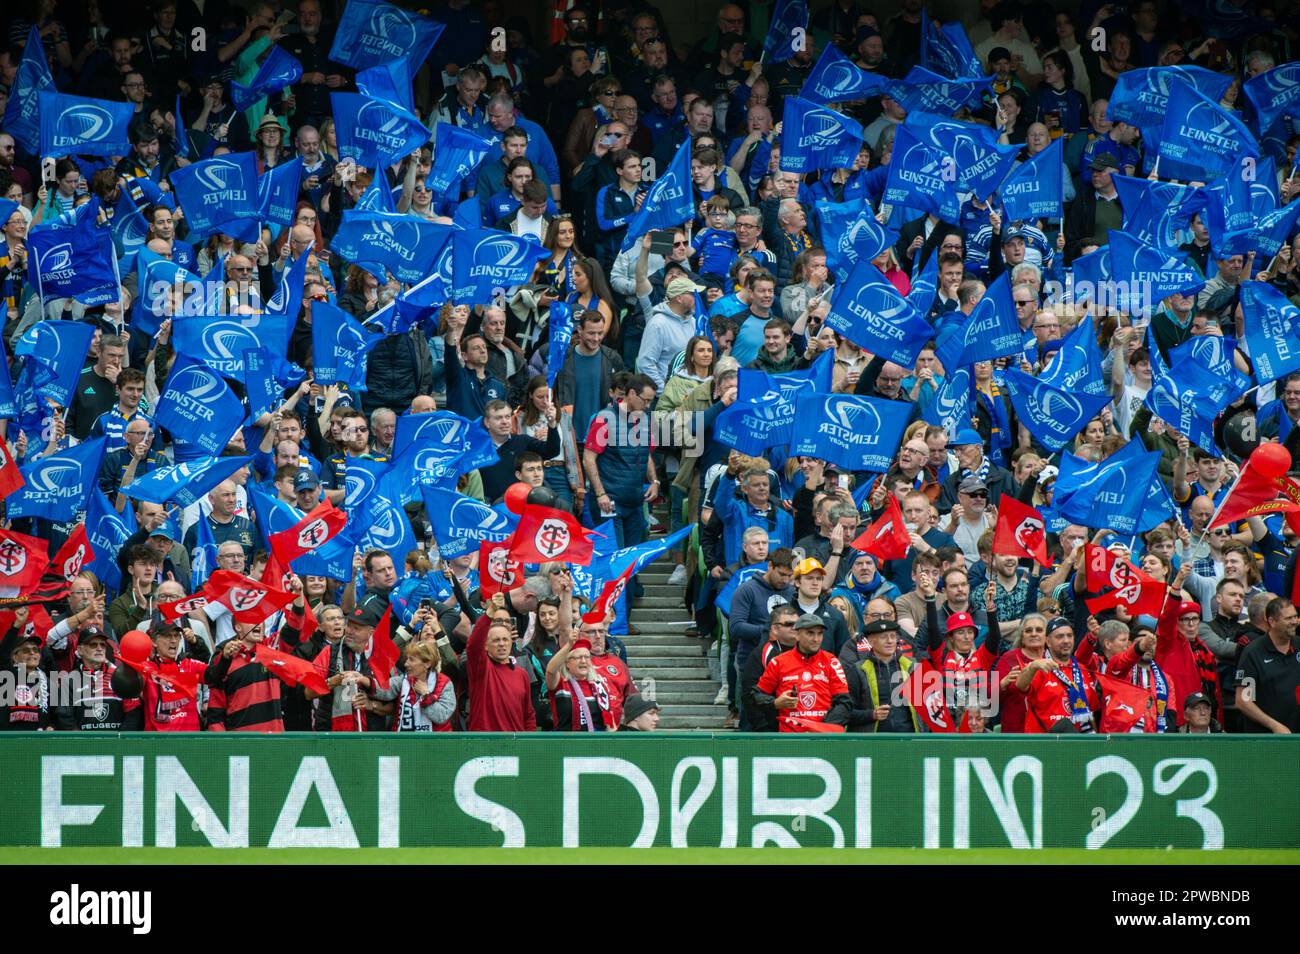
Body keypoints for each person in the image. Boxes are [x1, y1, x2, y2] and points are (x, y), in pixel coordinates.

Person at [751, 614, 852, 733]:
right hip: (790, 738)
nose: (816, 639)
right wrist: (774, 703)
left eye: (820, 633)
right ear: (797, 635)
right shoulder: (778, 662)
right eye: (810, 633)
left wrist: (820, 729)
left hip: (824, 736)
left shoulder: (832, 662)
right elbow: (755, 696)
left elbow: (845, 704)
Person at [1016, 617, 1102, 733]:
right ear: (1048, 642)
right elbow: (1020, 685)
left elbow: (1091, 712)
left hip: (1076, 744)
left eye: (1069, 636)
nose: (1066, 640)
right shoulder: (1039, 666)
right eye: (1059, 636)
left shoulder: (1082, 669)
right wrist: (1033, 666)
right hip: (1043, 744)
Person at [465, 603, 536, 732]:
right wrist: (488, 615)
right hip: (484, 745)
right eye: (496, 640)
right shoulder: (481, 669)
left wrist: (527, 744)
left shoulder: (522, 674)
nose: (502, 644)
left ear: (511, 642)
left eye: (505, 639)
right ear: (485, 645)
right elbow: (473, 646)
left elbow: (528, 716)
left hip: (515, 746)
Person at [1235, 597, 1300, 733]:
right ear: (1272, 621)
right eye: (1288, 618)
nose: (1295, 622)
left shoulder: (1299, 645)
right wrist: (1274, 725)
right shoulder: (1253, 653)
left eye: (1295, 616)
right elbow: (1243, 700)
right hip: (1266, 739)